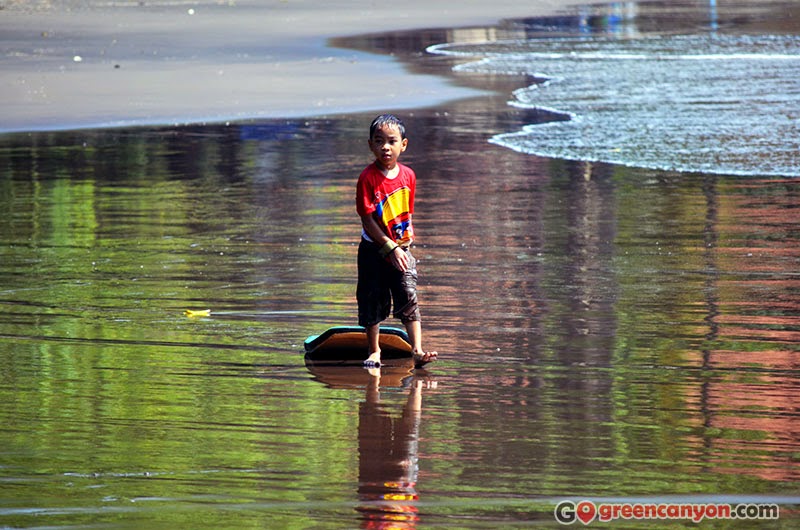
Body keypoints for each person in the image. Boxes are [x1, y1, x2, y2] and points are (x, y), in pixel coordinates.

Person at [356, 114, 438, 369]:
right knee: (372, 298)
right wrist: (388, 246)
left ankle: (417, 351)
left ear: (404, 144)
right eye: (379, 141)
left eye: (392, 141)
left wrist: (404, 243)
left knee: (408, 294)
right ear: (370, 144)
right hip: (373, 248)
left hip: (402, 248)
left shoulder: (409, 176)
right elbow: (367, 219)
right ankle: (374, 350)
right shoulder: (367, 178)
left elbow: (407, 212)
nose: (385, 147)